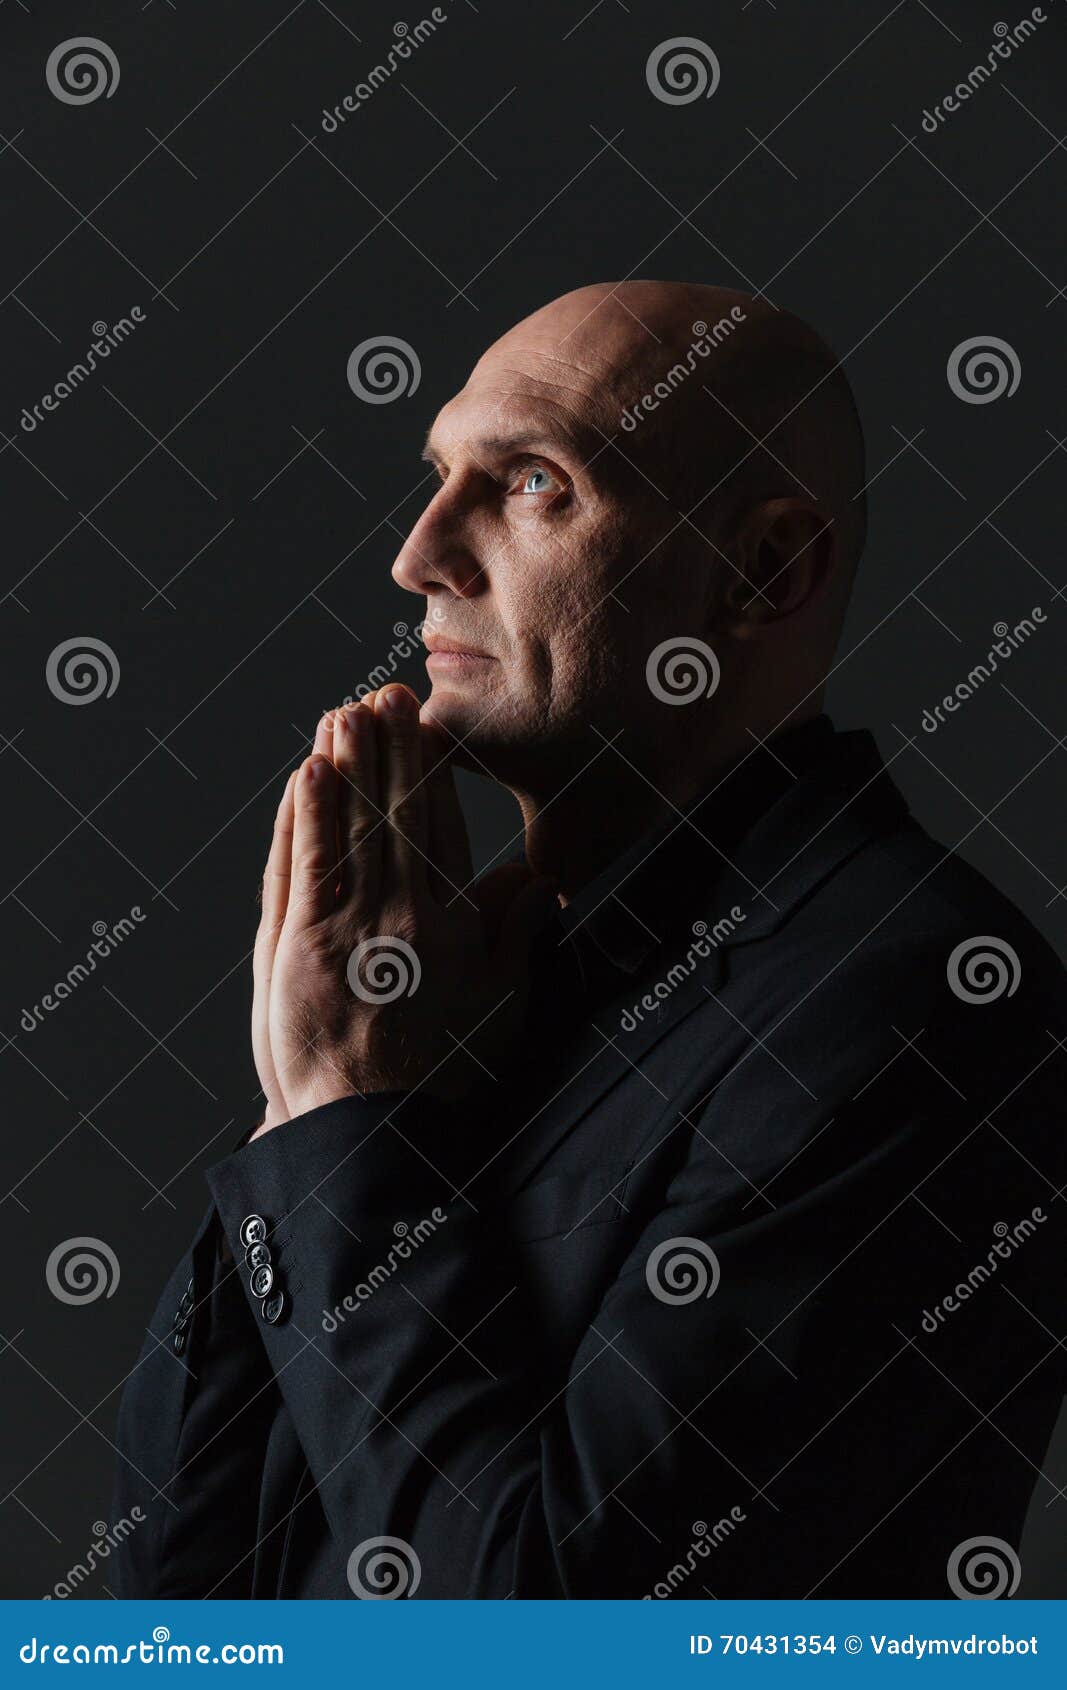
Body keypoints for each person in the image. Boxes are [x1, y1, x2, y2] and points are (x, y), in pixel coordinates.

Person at [112, 281, 1066, 1598]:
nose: (419, 552)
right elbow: (175, 1604)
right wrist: (313, 1106)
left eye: (534, 483)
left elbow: (562, 1630)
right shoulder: (454, 987)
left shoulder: (920, 1003)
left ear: (765, 569)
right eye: (440, 473)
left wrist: (339, 1119)